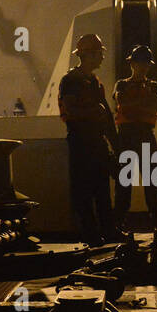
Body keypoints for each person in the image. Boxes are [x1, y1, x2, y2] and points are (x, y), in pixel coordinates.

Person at [58, 34, 118, 245]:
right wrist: (95, 112)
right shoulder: (71, 81)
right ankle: (92, 235)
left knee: (101, 190)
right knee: (85, 190)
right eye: (99, 53)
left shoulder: (93, 82)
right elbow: (71, 110)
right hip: (81, 142)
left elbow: (106, 115)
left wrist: (114, 143)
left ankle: (107, 232)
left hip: (95, 142)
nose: (102, 57)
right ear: (88, 54)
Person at [112, 45, 157, 233]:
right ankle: (118, 224)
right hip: (131, 136)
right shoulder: (123, 85)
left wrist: (134, 106)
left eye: (145, 63)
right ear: (132, 63)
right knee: (124, 183)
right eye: (139, 62)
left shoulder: (151, 86)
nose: (142, 66)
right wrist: (143, 105)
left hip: (140, 135)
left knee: (151, 182)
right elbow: (126, 105)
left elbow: (153, 106)